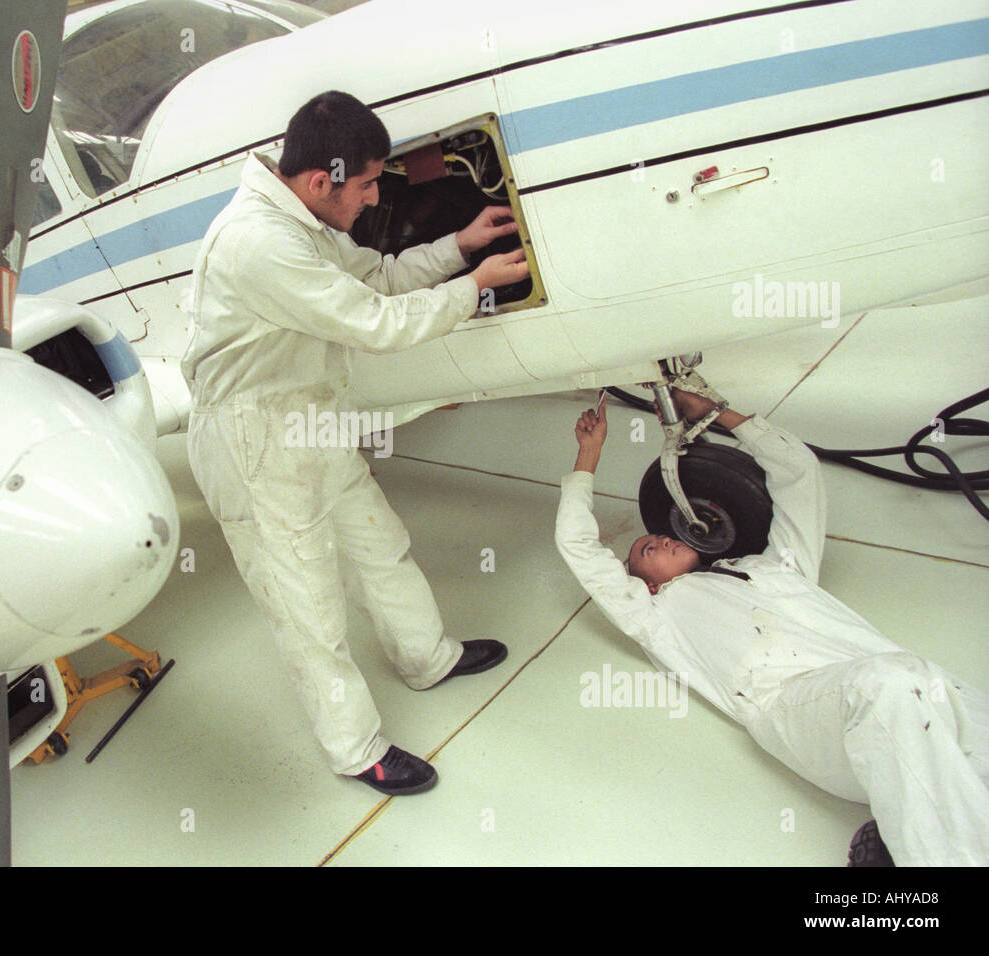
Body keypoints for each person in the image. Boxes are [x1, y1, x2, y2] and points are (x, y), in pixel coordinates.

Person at [181, 90, 529, 795]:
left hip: (308, 416)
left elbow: (376, 276)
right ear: (321, 181)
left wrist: (460, 248)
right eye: (369, 183)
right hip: (255, 442)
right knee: (306, 602)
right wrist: (474, 290)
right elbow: (375, 323)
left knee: (379, 543)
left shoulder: (303, 217)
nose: (375, 200)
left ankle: (426, 657)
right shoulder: (261, 244)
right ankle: (356, 748)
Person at [554, 388, 989, 865]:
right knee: (888, 683)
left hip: (909, 703)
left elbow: (798, 473)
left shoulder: (776, 568)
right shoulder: (656, 615)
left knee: (925, 686)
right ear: (645, 585)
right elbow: (578, 545)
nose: (657, 538)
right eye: (645, 552)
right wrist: (588, 454)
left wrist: (720, 414)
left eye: (655, 536)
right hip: (803, 712)